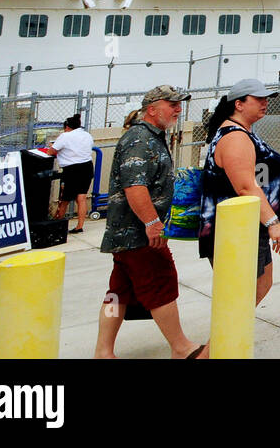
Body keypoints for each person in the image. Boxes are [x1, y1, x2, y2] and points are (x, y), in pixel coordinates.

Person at [94, 85, 206, 358]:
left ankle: (103, 351)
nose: (178, 109)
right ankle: (181, 348)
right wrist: (153, 223)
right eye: (172, 104)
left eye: (179, 104)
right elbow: (135, 187)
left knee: (117, 293)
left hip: (125, 237)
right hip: (138, 236)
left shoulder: (151, 137)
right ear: (152, 109)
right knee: (161, 284)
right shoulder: (140, 139)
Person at [198, 79, 280, 305]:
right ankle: (220, 341)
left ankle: (226, 339)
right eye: (258, 99)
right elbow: (245, 186)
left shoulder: (243, 132)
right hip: (236, 229)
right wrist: (273, 223)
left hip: (249, 224)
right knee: (241, 292)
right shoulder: (235, 137)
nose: (264, 103)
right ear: (239, 104)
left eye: (265, 99)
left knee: (259, 283)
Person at [42, 113, 95, 234]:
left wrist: (52, 145)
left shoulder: (65, 136)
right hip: (86, 167)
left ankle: (57, 223)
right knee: (81, 197)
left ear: (67, 127)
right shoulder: (87, 135)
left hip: (71, 170)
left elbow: (51, 152)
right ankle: (80, 226)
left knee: (64, 198)